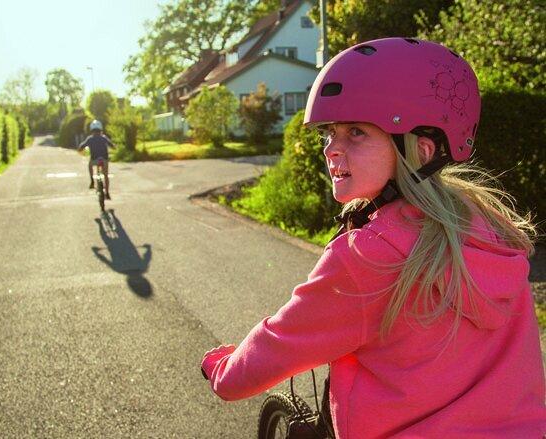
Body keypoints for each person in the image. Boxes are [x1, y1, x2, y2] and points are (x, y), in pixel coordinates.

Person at [201, 38, 546, 438]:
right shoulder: (489, 228)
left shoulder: (368, 257)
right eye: (328, 132)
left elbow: (279, 342)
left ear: (421, 147)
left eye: (356, 132)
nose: (331, 147)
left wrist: (223, 370)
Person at [78, 119, 115, 199]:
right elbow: (111, 145)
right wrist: (114, 147)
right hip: (104, 159)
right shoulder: (104, 137)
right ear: (100, 129)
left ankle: (92, 180)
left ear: (92, 130)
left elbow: (82, 146)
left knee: (90, 165)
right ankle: (107, 193)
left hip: (94, 160)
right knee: (105, 175)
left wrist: (80, 149)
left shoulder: (90, 139)